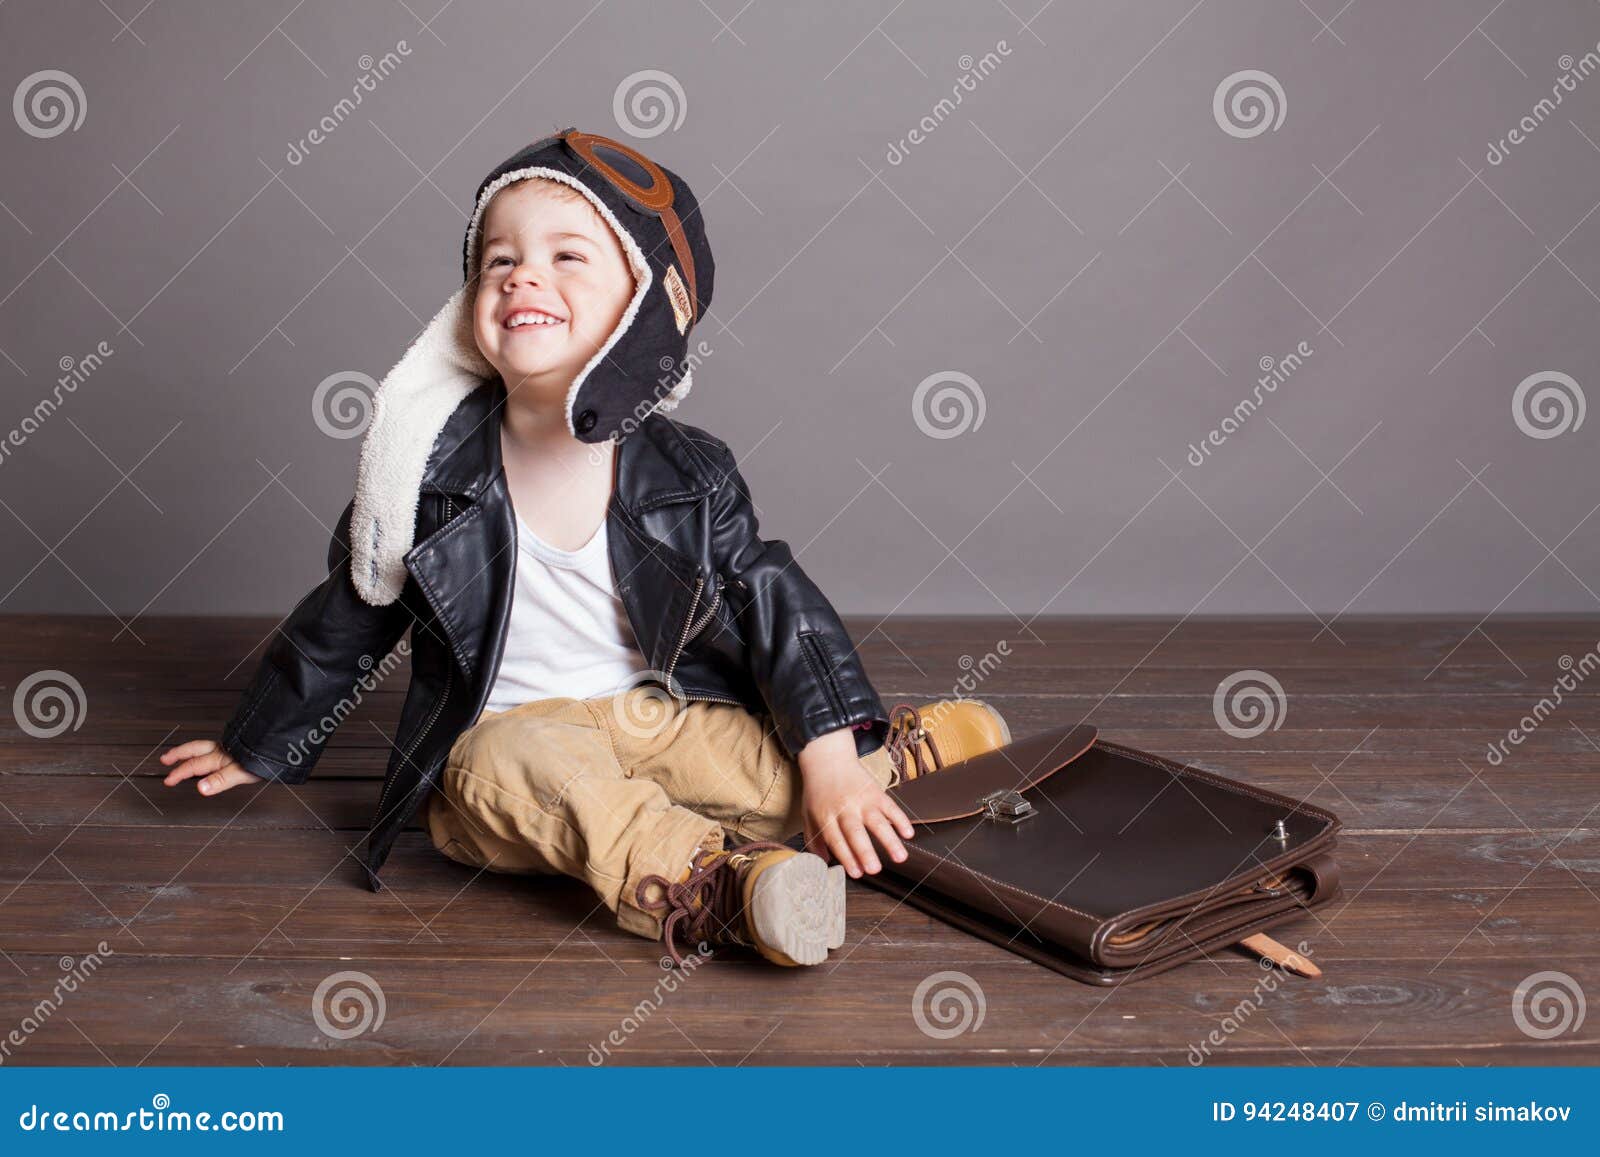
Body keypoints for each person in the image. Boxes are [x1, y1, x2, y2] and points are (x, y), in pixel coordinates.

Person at [159, 128, 1010, 967]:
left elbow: (772, 598)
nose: (524, 273)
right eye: (499, 260)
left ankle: (869, 766)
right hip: (504, 741)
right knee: (525, 774)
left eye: (569, 257)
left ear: (641, 311)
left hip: (655, 715)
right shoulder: (425, 472)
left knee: (760, 763)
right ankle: (710, 884)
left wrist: (823, 752)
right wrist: (261, 740)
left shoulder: (687, 471)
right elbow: (351, 612)